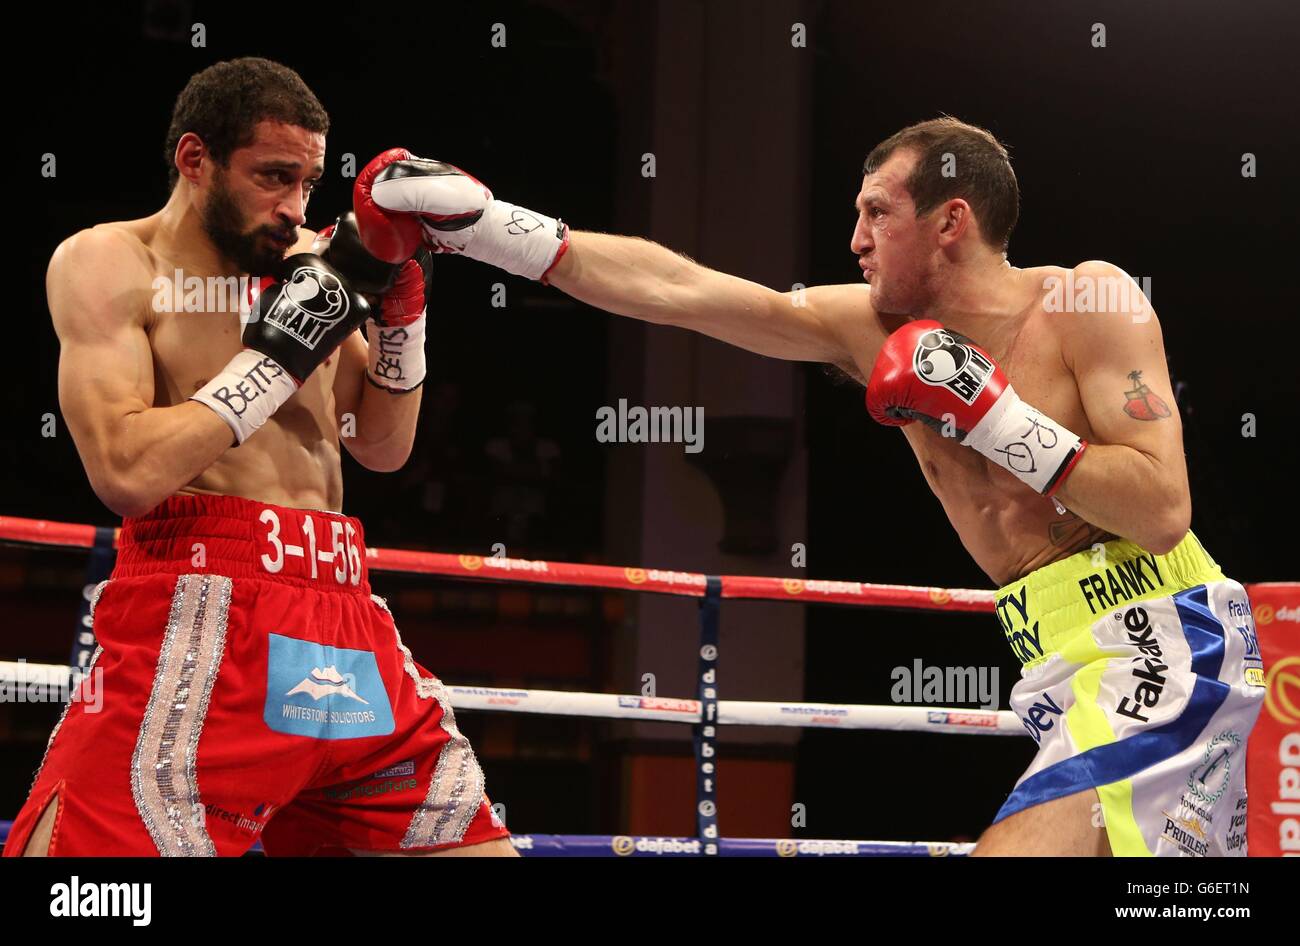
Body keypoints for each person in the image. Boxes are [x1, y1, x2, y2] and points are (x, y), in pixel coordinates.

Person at [351, 118, 1265, 856]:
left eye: (878, 213)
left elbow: (1161, 509)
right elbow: (684, 291)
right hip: (1058, 658)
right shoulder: (867, 326)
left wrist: (995, 416)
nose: (855, 240)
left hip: (1166, 634)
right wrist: (486, 226)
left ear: (951, 220)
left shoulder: (1088, 302)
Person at [6, 57, 514, 857]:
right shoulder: (112, 262)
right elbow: (125, 473)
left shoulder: (306, 265)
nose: (294, 208)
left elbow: (380, 447)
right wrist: (276, 361)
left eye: (309, 183)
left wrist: (401, 325)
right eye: (273, 177)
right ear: (195, 158)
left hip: (343, 609)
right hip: (200, 598)